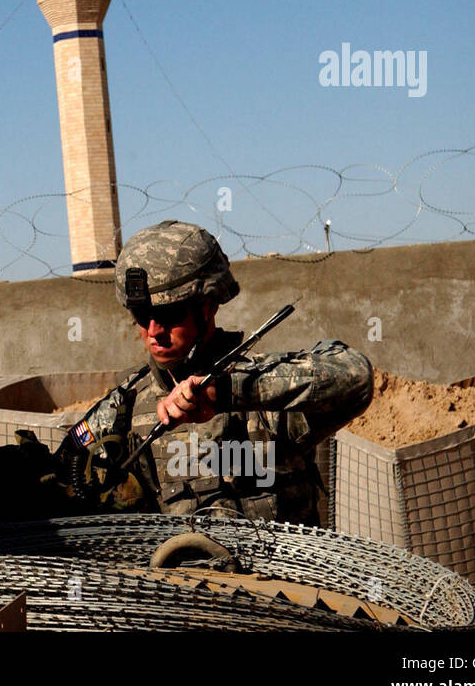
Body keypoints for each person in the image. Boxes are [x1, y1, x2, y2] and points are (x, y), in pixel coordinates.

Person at [96, 220, 374, 524]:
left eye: (169, 314)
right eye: (142, 315)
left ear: (209, 305)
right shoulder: (124, 410)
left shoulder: (264, 391)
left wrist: (229, 392)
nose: (154, 331)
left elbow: (356, 378)